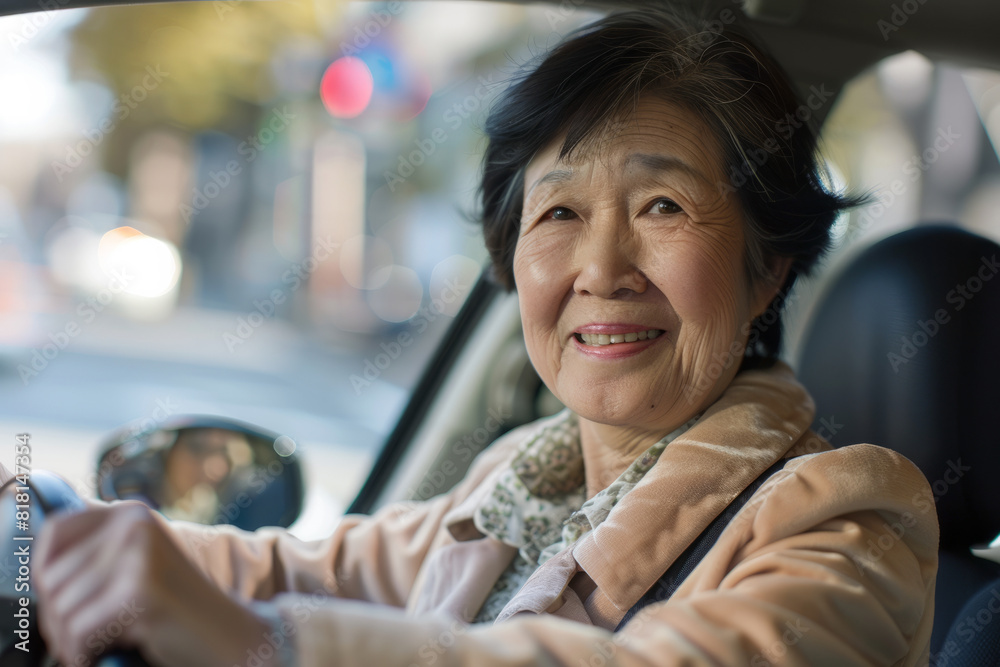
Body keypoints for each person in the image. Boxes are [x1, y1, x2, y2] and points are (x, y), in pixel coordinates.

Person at [20, 9, 938, 667]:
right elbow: (298, 567)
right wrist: (46, 528)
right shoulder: (520, 480)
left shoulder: (849, 523)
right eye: (561, 212)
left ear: (768, 265)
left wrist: (269, 645)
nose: (602, 267)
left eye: (662, 205)